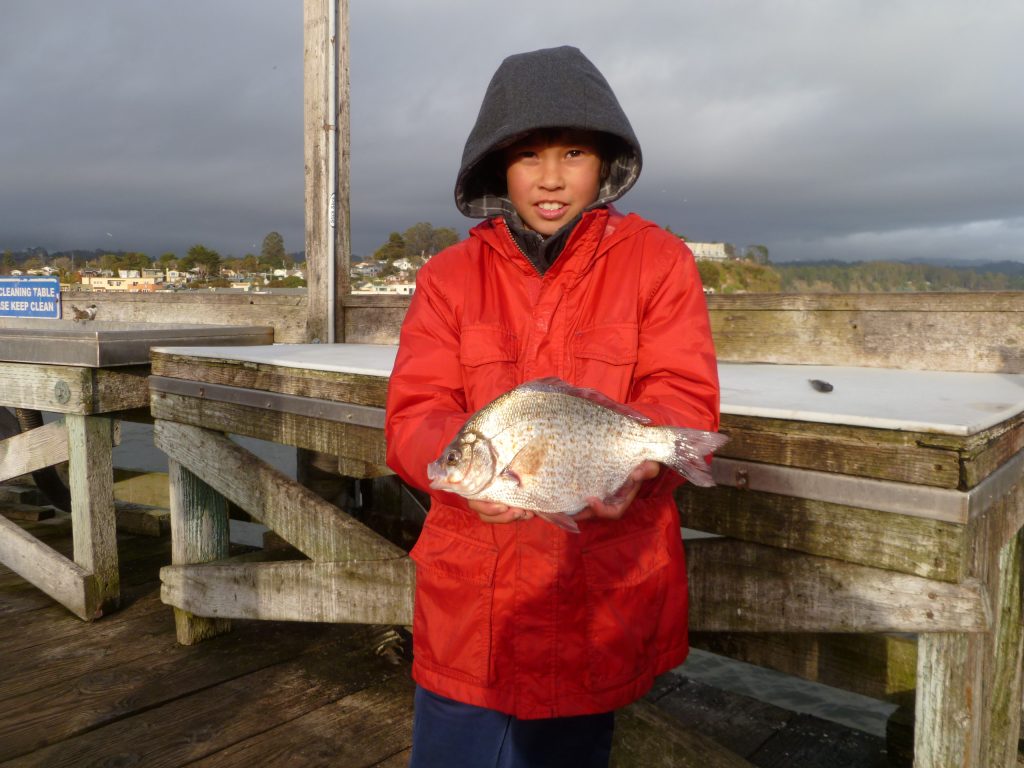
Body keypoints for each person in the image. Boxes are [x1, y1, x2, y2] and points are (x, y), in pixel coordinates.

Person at [385, 45, 720, 768]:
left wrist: (642, 467)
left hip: (594, 597)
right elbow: (414, 414)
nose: (550, 176)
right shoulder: (447, 277)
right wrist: (464, 471)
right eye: (527, 154)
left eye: (573, 152)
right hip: (472, 602)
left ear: (606, 163)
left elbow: (683, 392)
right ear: (495, 167)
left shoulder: (660, 262)